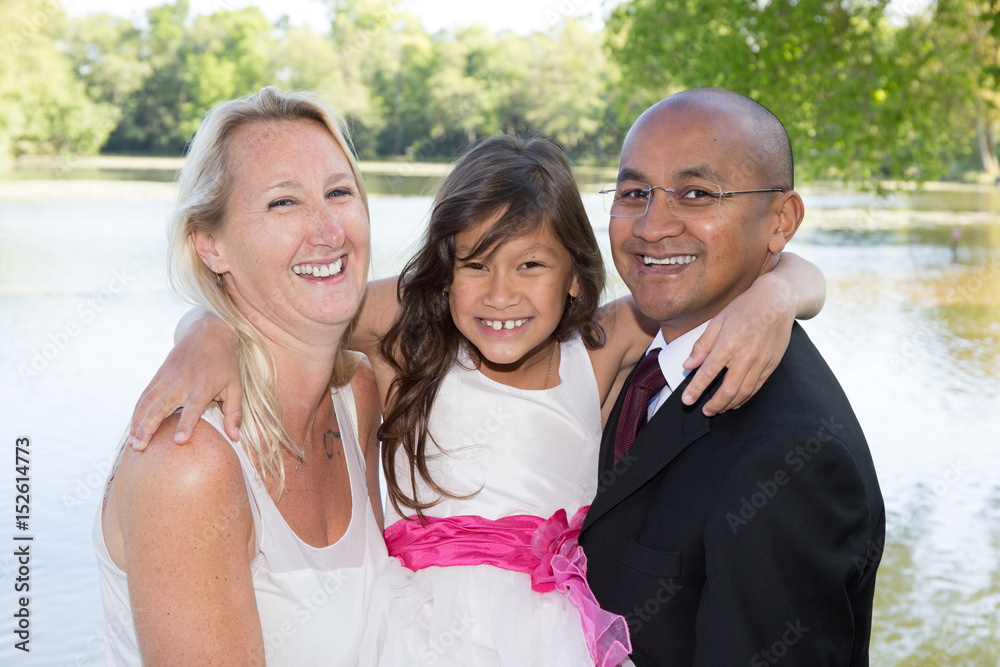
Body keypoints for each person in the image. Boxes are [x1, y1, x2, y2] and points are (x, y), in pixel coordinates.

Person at [126, 133, 827, 665]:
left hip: (548, 635)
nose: (500, 295)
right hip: (412, 632)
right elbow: (283, 307)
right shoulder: (407, 336)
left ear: (575, 282)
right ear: (444, 272)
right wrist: (206, 330)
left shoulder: (600, 343)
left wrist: (778, 293)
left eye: (530, 265)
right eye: (475, 265)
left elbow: (795, 275)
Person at [93, 87, 414, 666]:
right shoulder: (189, 464)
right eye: (282, 203)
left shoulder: (355, 394)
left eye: (339, 192)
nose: (329, 231)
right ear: (210, 244)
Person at [579, 87, 885, 666]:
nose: (651, 225)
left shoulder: (792, 460)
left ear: (781, 220)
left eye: (696, 194)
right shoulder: (628, 355)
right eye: (634, 192)